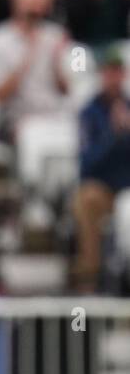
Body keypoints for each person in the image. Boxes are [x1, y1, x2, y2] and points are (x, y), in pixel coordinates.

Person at [71, 49, 130, 293]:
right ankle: (90, 277)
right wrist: (114, 136)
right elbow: (87, 165)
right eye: (108, 72)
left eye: (117, 72)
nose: (113, 77)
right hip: (104, 188)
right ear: (101, 75)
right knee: (86, 198)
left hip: (128, 186)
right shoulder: (90, 112)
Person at [0, 0, 70, 140]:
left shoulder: (58, 36)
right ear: (16, 1)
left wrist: (58, 66)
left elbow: (74, 86)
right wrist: (27, 57)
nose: (36, 3)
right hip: (17, 119)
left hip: (56, 115)